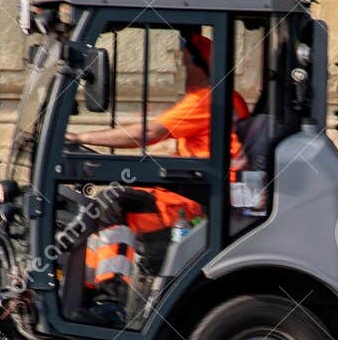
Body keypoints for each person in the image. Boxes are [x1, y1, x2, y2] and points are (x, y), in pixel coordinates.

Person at [68, 33, 248, 323]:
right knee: (113, 201)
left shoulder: (208, 99)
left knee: (111, 203)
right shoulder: (225, 97)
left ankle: (108, 301)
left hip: (196, 202)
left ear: (201, 65)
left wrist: (81, 137)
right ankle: (91, 294)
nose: (182, 70)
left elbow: (149, 133)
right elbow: (152, 127)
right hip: (201, 192)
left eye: (185, 63)